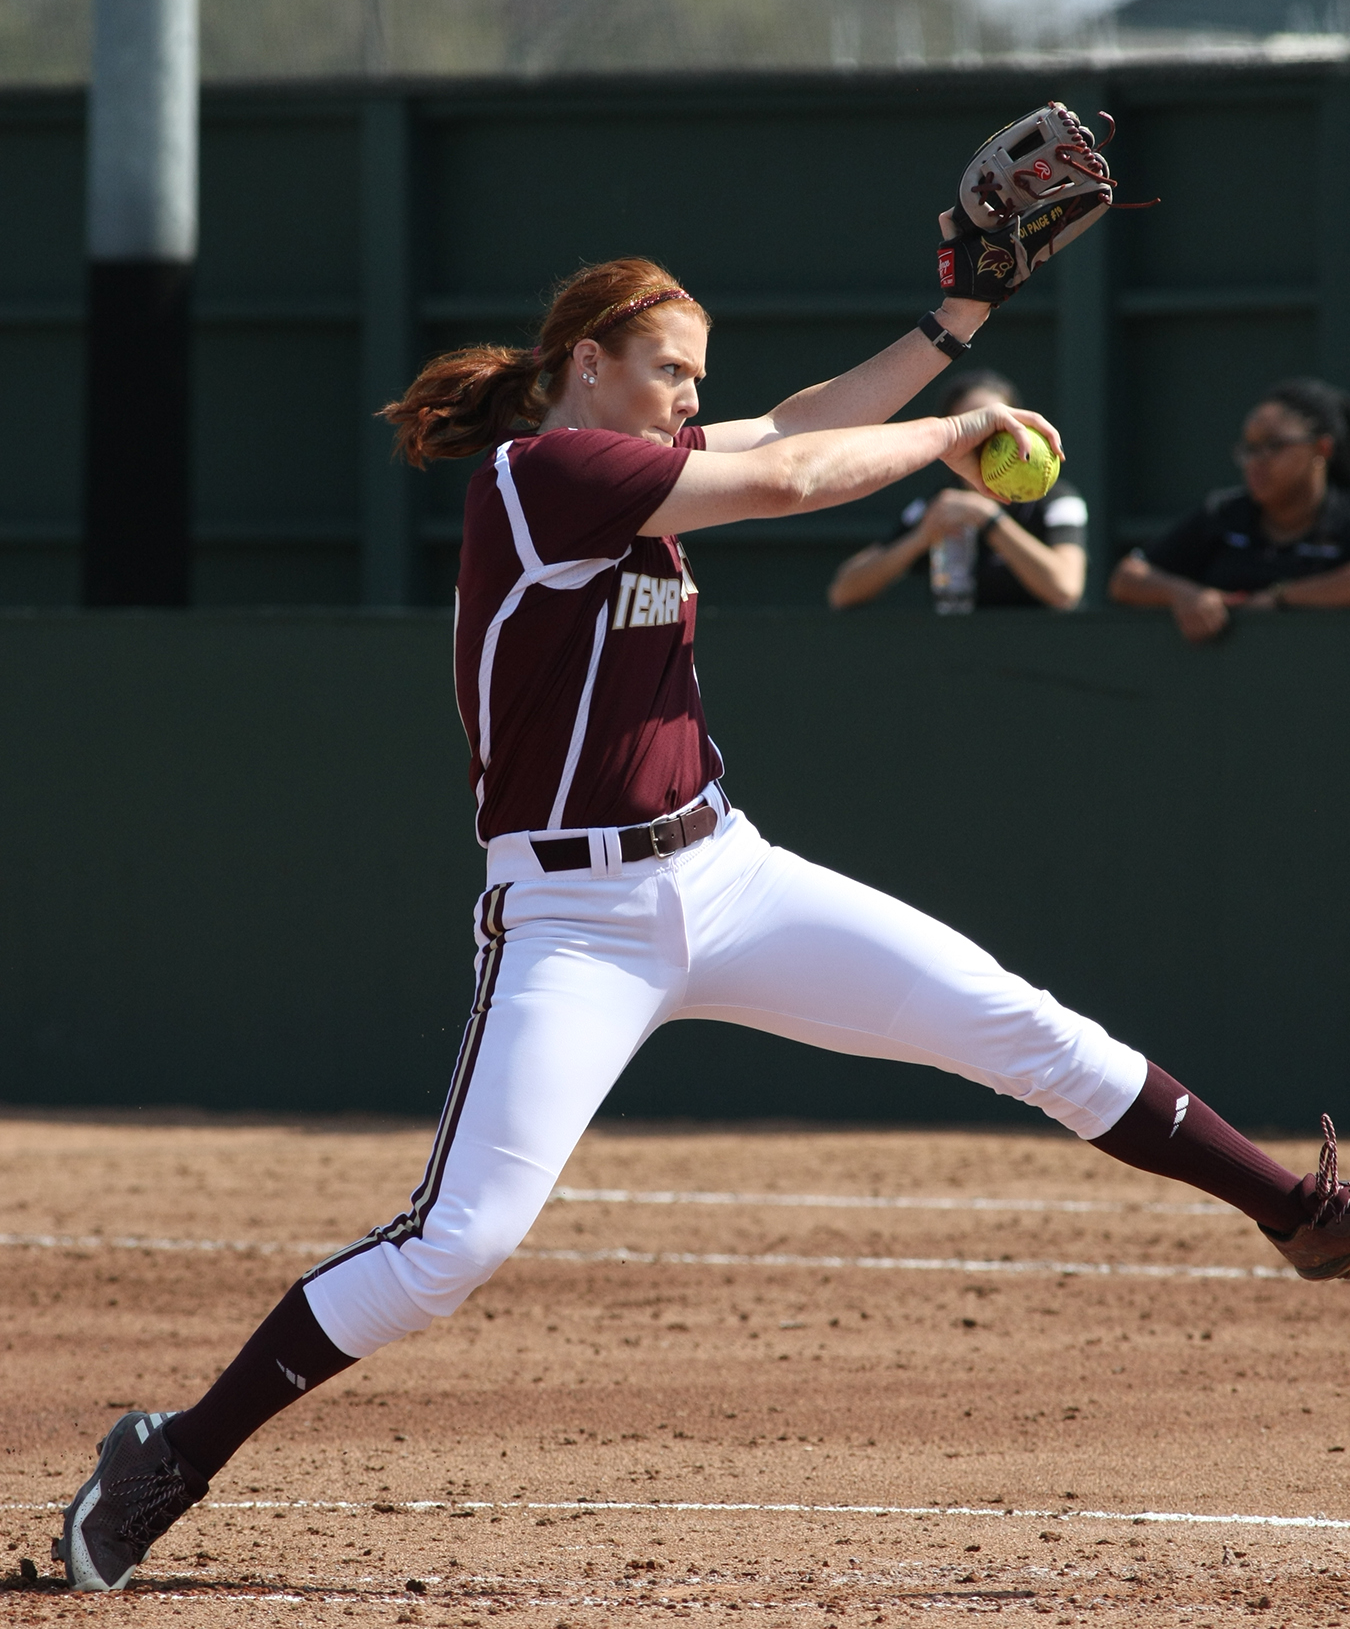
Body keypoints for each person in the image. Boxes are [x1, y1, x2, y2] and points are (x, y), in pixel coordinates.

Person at [53, 257, 1350, 1595]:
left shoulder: (641, 455)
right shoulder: (543, 477)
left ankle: (1299, 1214)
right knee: (459, 1243)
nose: (688, 397)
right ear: (586, 362)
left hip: (724, 873)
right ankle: (171, 1456)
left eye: (695, 380)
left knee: (1015, 1023)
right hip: (571, 915)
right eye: (669, 369)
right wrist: (956, 433)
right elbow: (794, 479)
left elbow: (800, 424)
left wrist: (954, 320)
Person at [1109, 378, 1350, 643]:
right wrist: (1184, 594)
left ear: (1322, 449)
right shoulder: (1223, 514)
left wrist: (1280, 596)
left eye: (1274, 445)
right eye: (1250, 448)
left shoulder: (1343, 517)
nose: (1256, 462)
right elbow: (1126, 579)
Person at [827, 369, 1087, 612]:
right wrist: (922, 537)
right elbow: (843, 591)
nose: (984, 439)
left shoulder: (1056, 499)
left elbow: (1065, 590)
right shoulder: (941, 503)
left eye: (994, 426)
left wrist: (990, 520)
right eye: (972, 427)